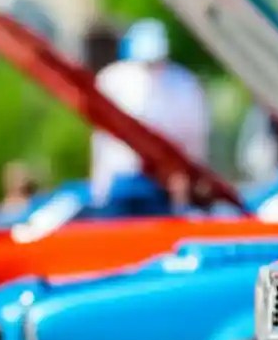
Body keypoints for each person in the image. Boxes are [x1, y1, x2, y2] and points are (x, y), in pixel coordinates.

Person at [90, 19, 210, 211]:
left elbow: (194, 134)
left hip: (161, 181)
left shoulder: (183, 83)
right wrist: (99, 184)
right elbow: (101, 138)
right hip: (120, 178)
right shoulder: (113, 80)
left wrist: (189, 179)